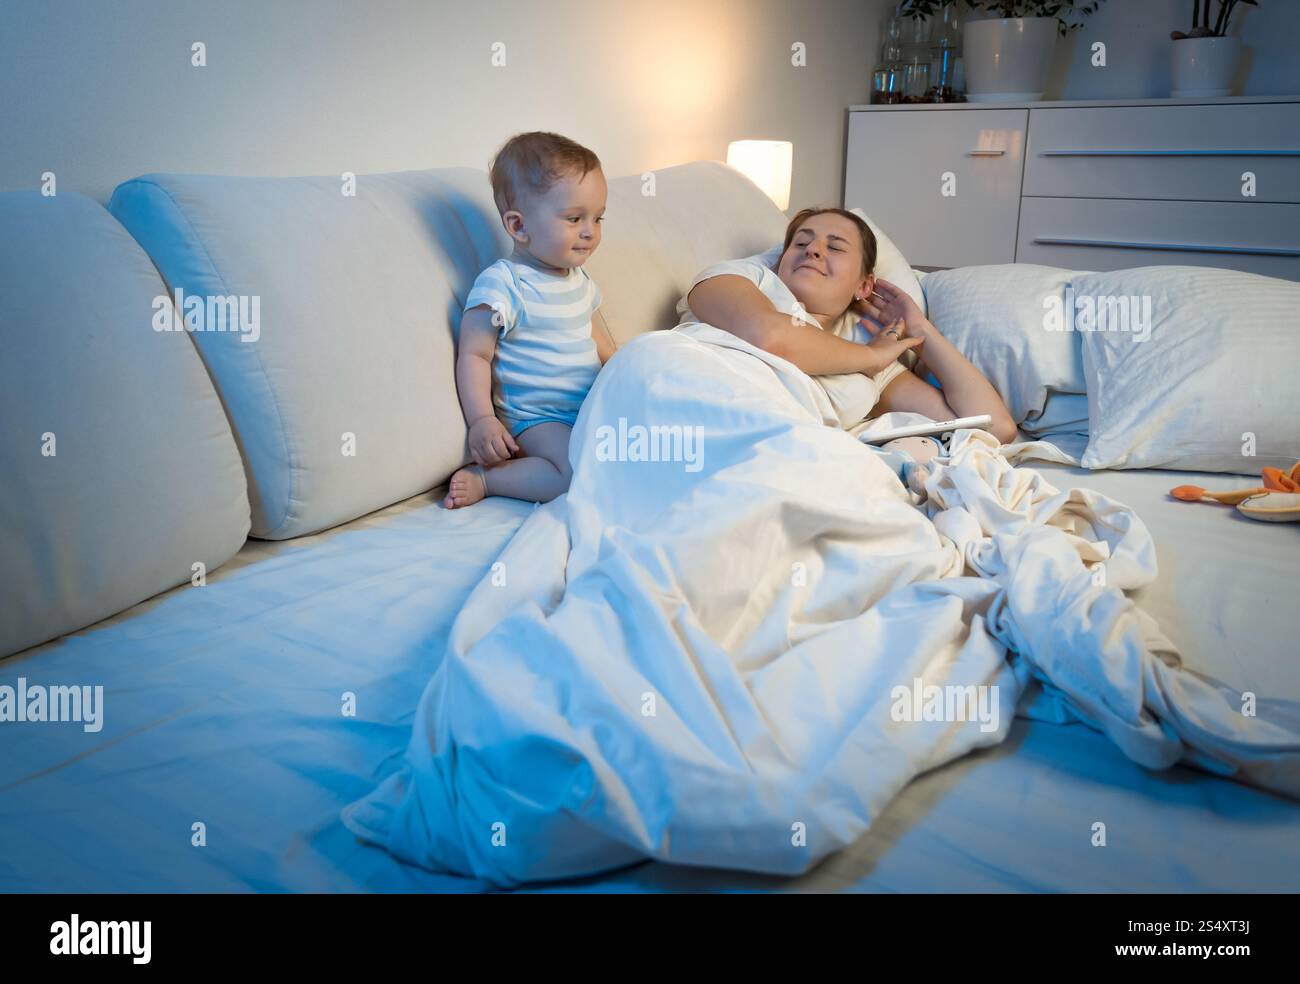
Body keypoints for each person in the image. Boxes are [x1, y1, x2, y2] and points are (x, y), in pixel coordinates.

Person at [681, 207, 1017, 445]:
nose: (813, 249)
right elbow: (769, 336)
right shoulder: (739, 279)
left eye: (835, 247)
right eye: (801, 243)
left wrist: (921, 332)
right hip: (690, 408)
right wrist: (870, 358)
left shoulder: (865, 343)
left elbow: (993, 428)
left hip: (777, 451)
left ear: (864, 286)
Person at [444, 132, 615, 509]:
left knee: (640, 452)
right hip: (537, 418)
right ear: (519, 226)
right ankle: (488, 479)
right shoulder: (504, 284)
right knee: (575, 473)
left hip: (588, 406)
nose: (590, 231)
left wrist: (624, 370)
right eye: (574, 218)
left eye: (597, 218)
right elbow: (474, 355)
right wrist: (482, 420)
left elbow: (594, 335)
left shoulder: (578, 279)